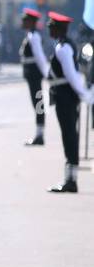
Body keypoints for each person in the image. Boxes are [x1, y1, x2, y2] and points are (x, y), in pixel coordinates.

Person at [44, 12, 93, 192]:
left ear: (60, 28)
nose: (49, 28)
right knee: (70, 135)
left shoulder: (63, 48)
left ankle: (71, 180)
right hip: (66, 95)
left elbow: (72, 76)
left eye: (52, 26)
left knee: (69, 136)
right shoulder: (62, 45)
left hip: (65, 95)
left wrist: (84, 94)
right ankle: (70, 178)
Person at [20, 7, 49, 146]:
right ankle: (39, 134)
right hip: (32, 75)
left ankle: (40, 135)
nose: (23, 22)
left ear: (31, 22)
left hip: (34, 75)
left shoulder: (34, 36)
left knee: (38, 104)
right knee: (37, 103)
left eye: (25, 20)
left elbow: (39, 57)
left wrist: (47, 74)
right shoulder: (30, 35)